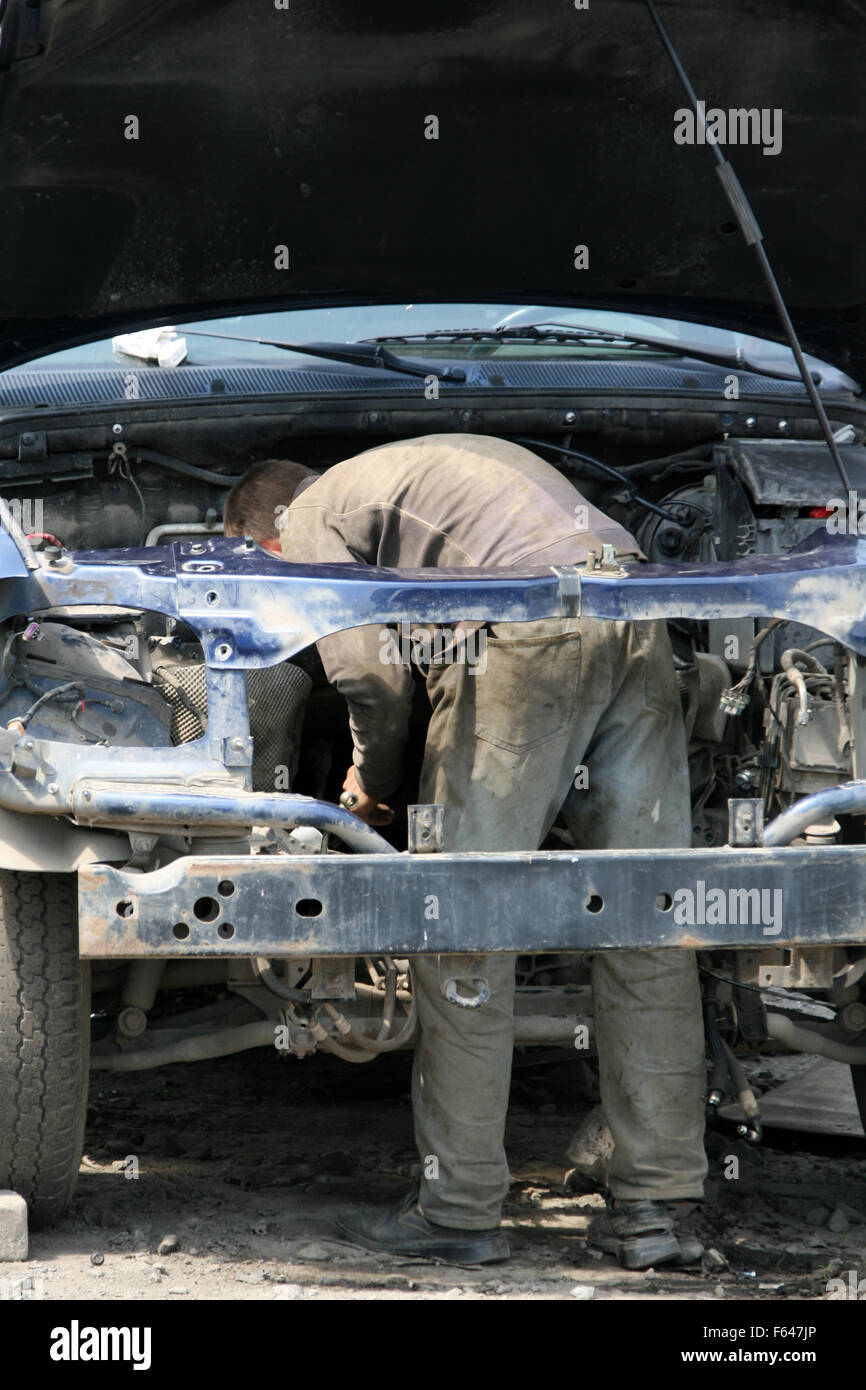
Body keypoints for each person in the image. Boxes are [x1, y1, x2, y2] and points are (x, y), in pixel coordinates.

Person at [223, 434, 708, 1269]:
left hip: (524, 631)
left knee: (466, 926)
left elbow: (370, 678)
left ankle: (458, 1210)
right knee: (648, 915)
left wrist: (371, 787)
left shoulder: (304, 517)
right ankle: (655, 1210)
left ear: (259, 538)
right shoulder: (417, 466)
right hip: (634, 612)